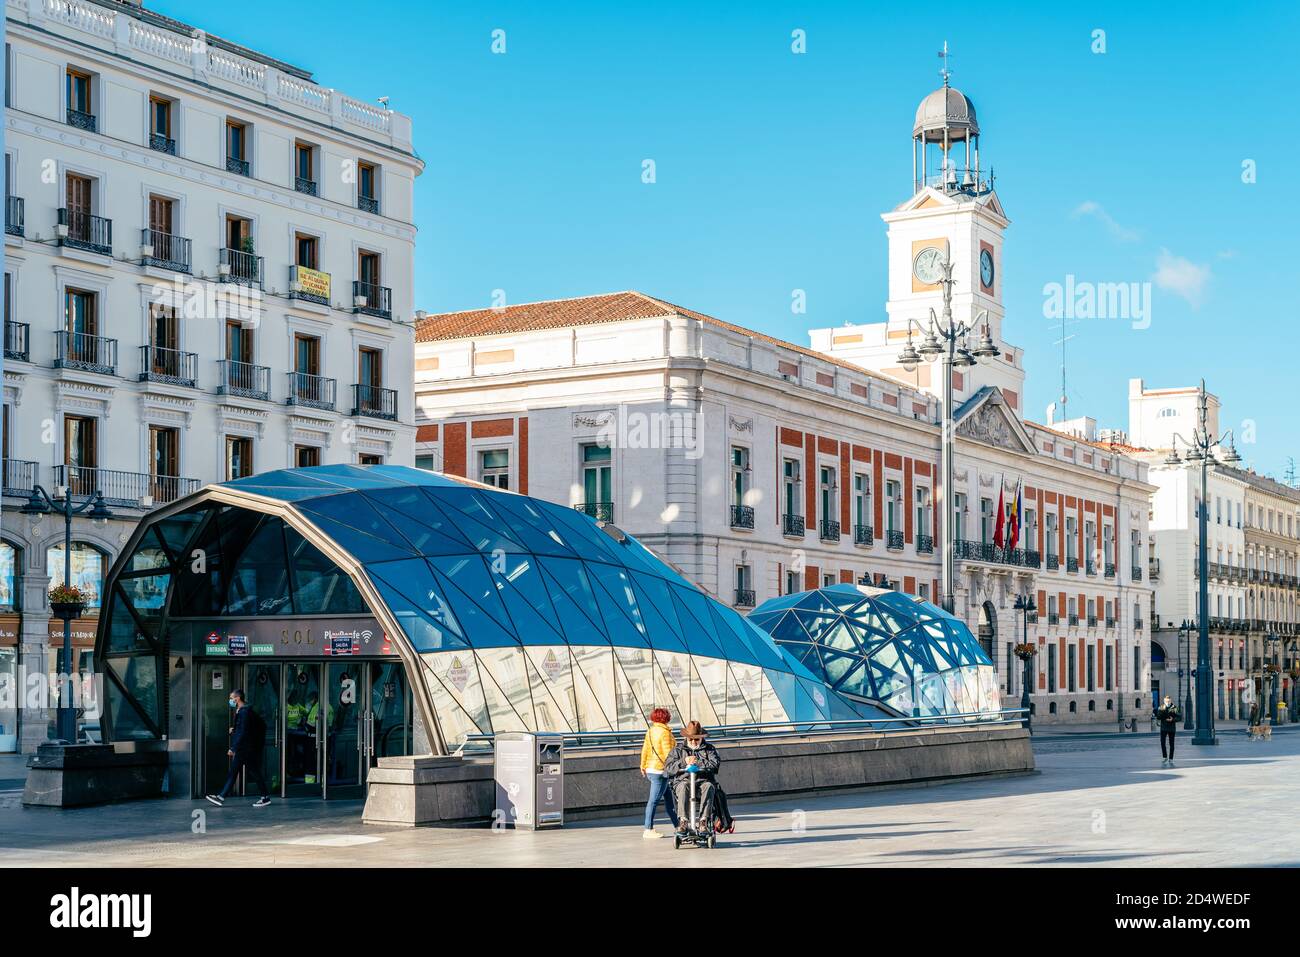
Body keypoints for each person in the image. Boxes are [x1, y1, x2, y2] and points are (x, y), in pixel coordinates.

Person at [206, 689, 271, 807]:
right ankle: (264, 797)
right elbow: (243, 729)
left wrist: (233, 748)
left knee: (238, 772)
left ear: (238, 698)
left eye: (231, 698)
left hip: (244, 748)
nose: (230, 700)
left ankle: (221, 797)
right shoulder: (243, 710)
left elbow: (243, 732)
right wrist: (234, 730)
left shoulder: (244, 712)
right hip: (246, 748)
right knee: (246, 772)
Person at [664, 720, 720, 833]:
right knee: (683, 786)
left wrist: (698, 761)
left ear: (701, 738)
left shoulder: (709, 749)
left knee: (709, 786)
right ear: (686, 738)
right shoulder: (678, 750)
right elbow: (669, 767)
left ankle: (704, 820)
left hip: (703, 781)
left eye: (696, 739)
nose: (693, 742)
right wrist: (684, 761)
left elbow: (715, 765)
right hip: (684, 780)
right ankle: (683, 821)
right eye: (691, 739)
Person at [638, 708, 679, 838]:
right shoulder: (665, 733)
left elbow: (645, 749)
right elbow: (669, 754)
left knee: (669, 801)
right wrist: (677, 765)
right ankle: (648, 829)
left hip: (651, 768)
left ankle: (678, 826)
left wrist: (643, 765)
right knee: (653, 801)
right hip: (660, 771)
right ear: (666, 718)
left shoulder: (650, 731)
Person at [1154, 694, 1180, 766]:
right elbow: (1158, 717)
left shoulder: (1174, 707)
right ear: (1164, 701)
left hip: (1171, 728)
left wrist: (1173, 719)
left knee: (1172, 744)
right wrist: (1162, 711)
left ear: (1170, 701)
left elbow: (1179, 717)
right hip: (1164, 728)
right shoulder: (1161, 707)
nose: (1168, 702)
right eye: (1166, 701)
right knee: (1162, 742)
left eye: (1169, 701)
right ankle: (1165, 757)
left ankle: (1171, 758)